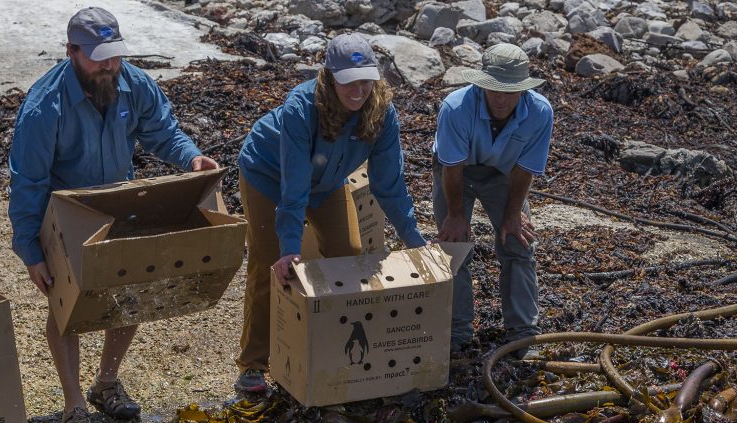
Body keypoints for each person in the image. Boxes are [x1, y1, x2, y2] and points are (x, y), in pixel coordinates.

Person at [8, 7, 218, 423]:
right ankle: (72, 407)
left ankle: (106, 383)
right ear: (72, 52)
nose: (109, 66)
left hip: (121, 200)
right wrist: (30, 250)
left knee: (130, 293)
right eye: (99, 58)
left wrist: (192, 158)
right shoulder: (44, 106)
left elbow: (164, 132)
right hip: (65, 209)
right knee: (68, 308)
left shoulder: (135, 84)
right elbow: (28, 183)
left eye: (115, 56)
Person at [234, 34, 427, 394]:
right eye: (348, 81)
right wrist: (289, 247)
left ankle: (334, 349)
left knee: (349, 255)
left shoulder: (382, 112)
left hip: (328, 183)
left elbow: (389, 185)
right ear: (329, 76)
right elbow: (293, 190)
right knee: (270, 263)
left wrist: (415, 240)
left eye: (366, 79)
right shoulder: (301, 108)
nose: (358, 89)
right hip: (268, 175)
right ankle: (253, 364)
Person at [432, 43, 553, 357]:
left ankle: (524, 333)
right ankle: (457, 332)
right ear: (481, 84)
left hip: (504, 174)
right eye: (493, 90)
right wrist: (456, 214)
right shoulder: (456, 108)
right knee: (454, 247)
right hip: (456, 172)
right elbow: (452, 168)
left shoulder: (540, 112)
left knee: (518, 242)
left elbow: (525, 169)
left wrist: (514, 213)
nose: (501, 99)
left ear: (523, 90)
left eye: (510, 91)